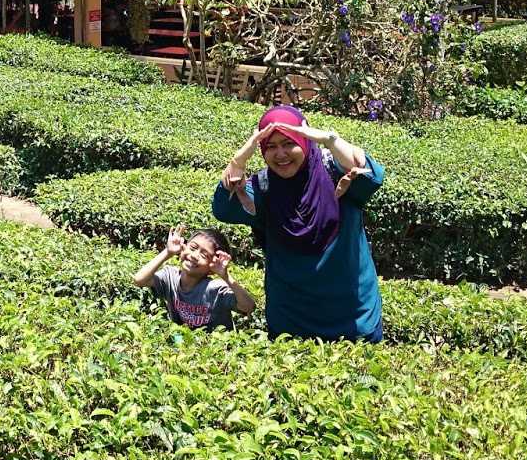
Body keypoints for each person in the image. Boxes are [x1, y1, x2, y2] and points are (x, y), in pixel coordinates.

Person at [213, 105, 383, 342]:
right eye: (270, 146)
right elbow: (223, 209)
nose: (280, 154)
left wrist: (329, 140)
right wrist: (240, 158)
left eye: (289, 143)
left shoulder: (336, 175)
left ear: (305, 141)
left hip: (354, 317)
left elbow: (373, 175)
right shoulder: (263, 187)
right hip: (290, 320)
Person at [132, 224, 255, 331]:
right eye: (193, 248)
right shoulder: (170, 276)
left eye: (204, 255)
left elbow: (249, 307)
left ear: (212, 268)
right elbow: (140, 279)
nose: (195, 256)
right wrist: (168, 252)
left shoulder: (215, 289)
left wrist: (226, 276)